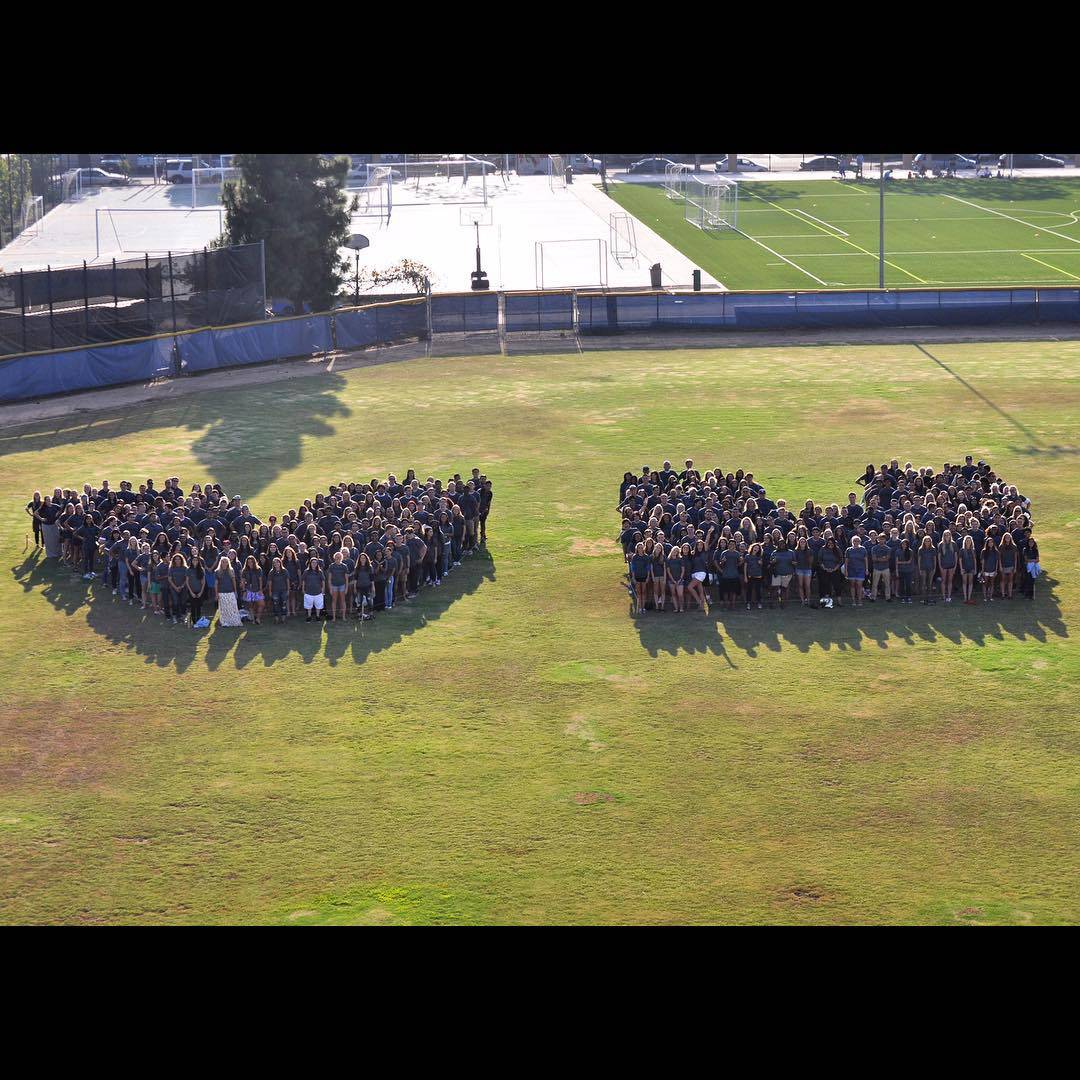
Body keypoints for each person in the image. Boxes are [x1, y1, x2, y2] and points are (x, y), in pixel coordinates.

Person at [215, 556, 242, 627]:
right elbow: (216, 584)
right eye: (223, 562)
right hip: (221, 592)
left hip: (230, 591)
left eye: (226, 562)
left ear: (228, 563)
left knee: (233, 607)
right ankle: (225, 622)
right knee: (223, 609)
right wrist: (216, 593)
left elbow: (234, 581)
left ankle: (234, 622)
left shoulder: (231, 570)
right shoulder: (217, 571)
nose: (224, 563)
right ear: (221, 563)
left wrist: (235, 591)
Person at [629, 542, 651, 616]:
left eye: (641, 547)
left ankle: (643, 607)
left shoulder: (646, 556)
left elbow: (648, 568)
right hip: (637, 576)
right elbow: (633, 568)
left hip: (644, 576)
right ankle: (639, 607)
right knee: (639, 593)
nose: (640, 549)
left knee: (644, 592)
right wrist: (634, 577)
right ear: (637, 549)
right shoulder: (635, 557)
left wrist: (648, 576)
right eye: (639, 548)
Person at [844, 536, 867, 606]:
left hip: (860, 570)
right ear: (852, 542)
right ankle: (853, 600)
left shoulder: (863, 549)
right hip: (851, 570)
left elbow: (866, 560)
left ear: (860, 542)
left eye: (857, 541)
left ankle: (859, 600)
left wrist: (866, 569)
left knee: (859, 585)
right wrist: (846, 570)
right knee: (852, 585)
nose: (856, 542)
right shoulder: (848, 550)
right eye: (854, 541)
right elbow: (846, 561)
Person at [327, 551, 350, 622]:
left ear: (341, 558)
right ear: (334, 558)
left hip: (342, 585)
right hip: (334, 585)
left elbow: (346, 579)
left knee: (343, 601)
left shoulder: (344, 566)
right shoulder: (331, 566)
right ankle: (334, 617)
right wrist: (330, 588)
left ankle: (343, 617)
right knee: (334, 601)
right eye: (336, 557)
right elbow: (329, 578)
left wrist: (346, 588)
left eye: (339, 557)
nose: (338, 558)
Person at [167, 553, 189, 625]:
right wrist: (175, 587)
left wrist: (182, 586)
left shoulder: (185, 568)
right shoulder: (171, 568)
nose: (177, 560)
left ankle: (183, 616)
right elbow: (170, 579)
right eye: (175, 559)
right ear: (173, 560)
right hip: (173, 588)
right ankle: (174, 616)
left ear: (181, 560)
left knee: (183, 602)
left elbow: (186, 579)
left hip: (183, 587)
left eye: (179, 559)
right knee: (175, 602)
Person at [303, 558, 327, 623]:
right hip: (308, 591)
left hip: (318, 592)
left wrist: (323, 590)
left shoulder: (319, 571)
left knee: (318, 605)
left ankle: (318, 616)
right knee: (309, 605)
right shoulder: (306, 571)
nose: (314, 564)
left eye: (315, 563)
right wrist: (303, 589)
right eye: (313, 562)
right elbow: (304, 581)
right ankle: (309, 617)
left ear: (317, 564)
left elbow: (323, 581)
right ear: (310, 563)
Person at [266, 556, 290, 624]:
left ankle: (283, 619)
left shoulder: (284, 571)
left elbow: (287, 580)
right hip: (275, 591)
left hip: (284, 590)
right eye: (274, 563)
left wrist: (288, 590)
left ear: (280, 563)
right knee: (275, 604)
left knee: (284, 604)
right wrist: (270, 591)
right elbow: (270, 582)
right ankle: (276, 619)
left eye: (277, 562)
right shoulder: (271, 572)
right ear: (273, 564)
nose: (276, 564)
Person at [938, 530, 958, 603]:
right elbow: (939, 557)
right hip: (943, 565)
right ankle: (944, 597)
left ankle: (949, 597)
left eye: (948, 534)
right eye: (945, 535)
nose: (947, 536)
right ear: (943, 536)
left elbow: (956, 556)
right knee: (943, 581)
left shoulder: (954, 544)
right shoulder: (941, 544)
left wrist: (955, 566)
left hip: (951, 565)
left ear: (950, 535)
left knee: (950, 581)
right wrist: (940, 566)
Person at [187, 554, 207, 626]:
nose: (195, 561)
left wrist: (201, 592)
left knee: (198, 606)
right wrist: (191, 592)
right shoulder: (188, 569)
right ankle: (194, 621)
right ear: (191, 561)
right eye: (193, 560)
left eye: (196, 560)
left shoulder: (202, 570)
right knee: (193, 606)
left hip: (199, 591)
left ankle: (198, 621)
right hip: (191, 591)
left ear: (199, 561)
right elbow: (187, 582)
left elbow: (203, 582)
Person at [895, 538, 915, 604]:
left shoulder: (910, 551)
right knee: (902, 585)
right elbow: (896, 562)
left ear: (907, 545)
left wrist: (900, 562)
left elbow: (909, 562)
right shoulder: (898, 551)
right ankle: (903, 598)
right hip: (901, 571)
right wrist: (897, 571)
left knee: (908, 584)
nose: (904, 545)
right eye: (903, 544)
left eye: (905, 544)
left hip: (909, 571)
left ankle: (909, 597)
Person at [980, 537, 999, 602]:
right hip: (985, 570)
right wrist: (982, 571)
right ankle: (985, 597)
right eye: (989, 542)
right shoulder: (984, 551)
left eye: (992, 542)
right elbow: (982, 561)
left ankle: (990, 597)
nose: (990, 543)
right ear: (987, 543)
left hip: (993, 570)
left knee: (992, 583)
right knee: (985, 583)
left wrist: (996, 570)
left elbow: (997, 562)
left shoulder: (996, 551)